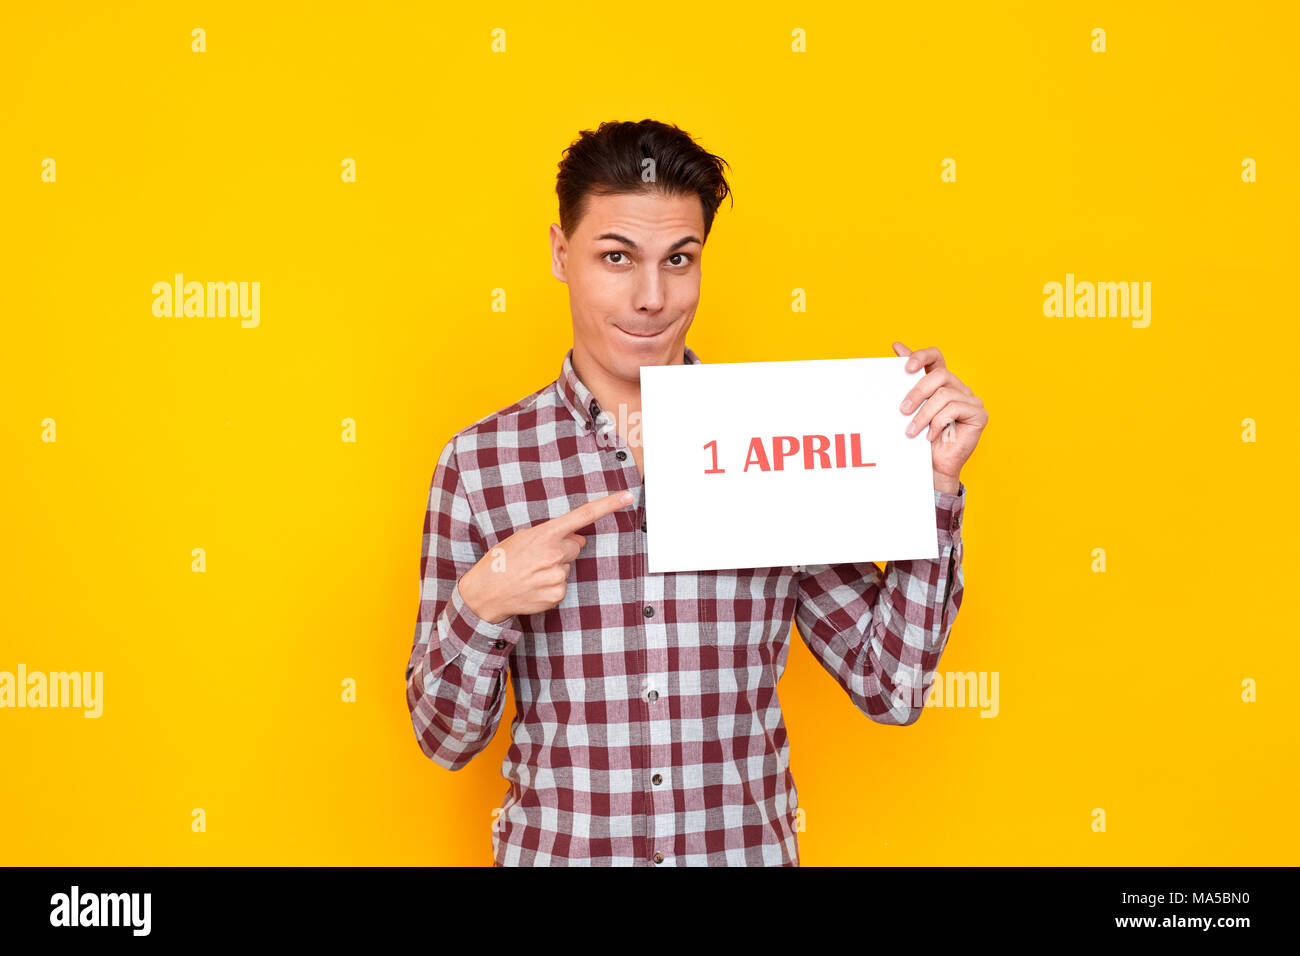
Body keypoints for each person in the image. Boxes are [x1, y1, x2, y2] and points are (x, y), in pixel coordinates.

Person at [404, 118, 989, 866]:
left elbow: (892, 687)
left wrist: (933, 486)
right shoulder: (482, 464)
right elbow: (445, 740)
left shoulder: (780, 445)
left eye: (678, 259)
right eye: (617, 257)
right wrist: (483, 601)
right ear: (560, 254)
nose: (651, 297)